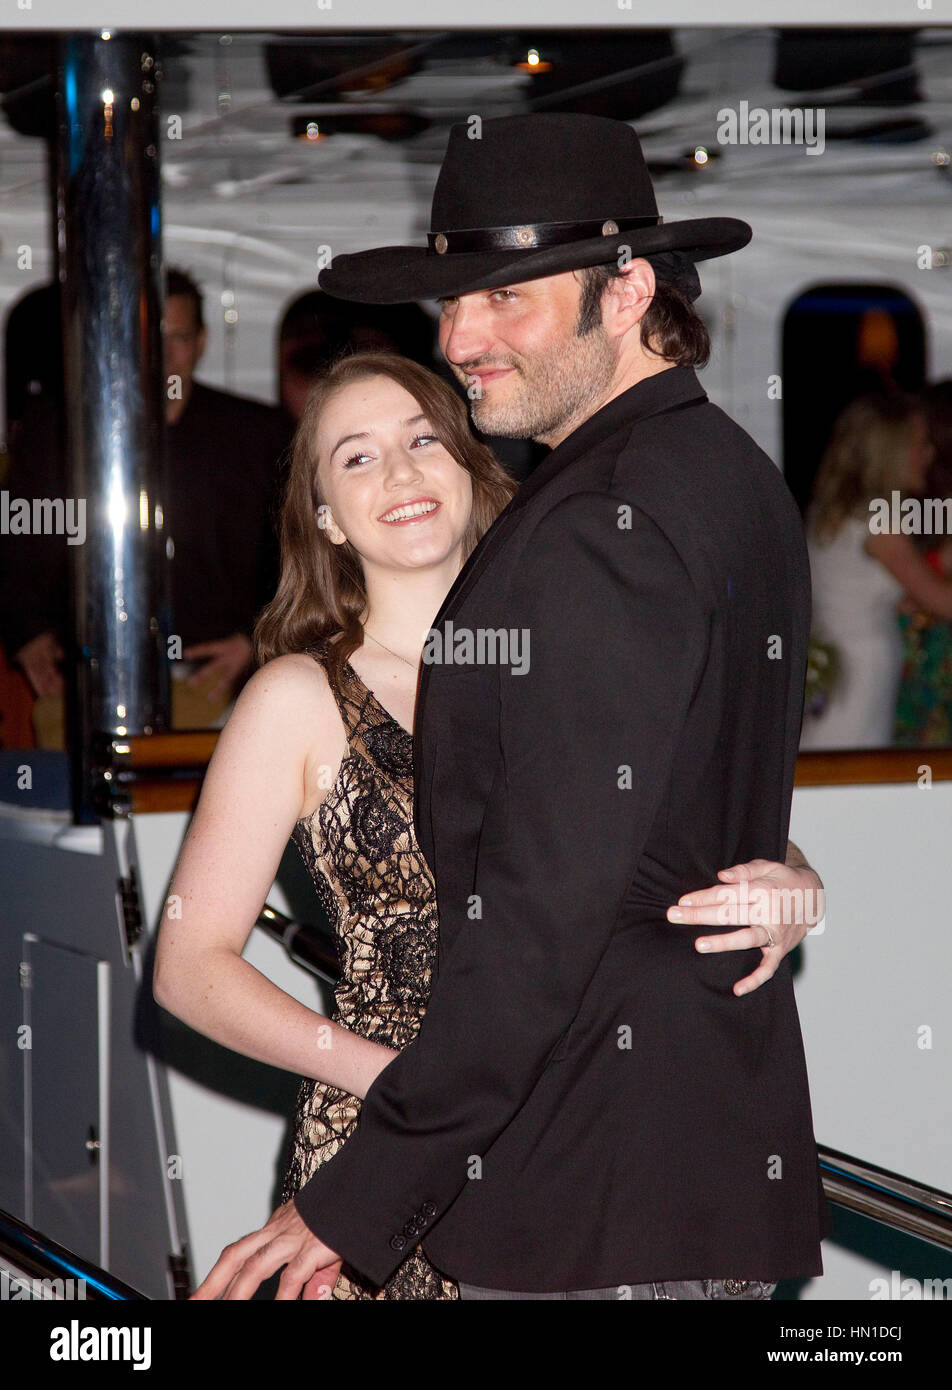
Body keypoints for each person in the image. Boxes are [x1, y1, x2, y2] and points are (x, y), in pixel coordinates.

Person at [186, 113, 827, 1302]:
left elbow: (543, 918)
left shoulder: (600, 526)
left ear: (627, 289)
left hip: (584, 1183)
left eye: (507, 297)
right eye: (452, 300)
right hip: (668, 1171)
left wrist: (360, 1197)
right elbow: (665, 817)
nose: (461, 335)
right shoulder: (727, 476)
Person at [0, 269, 290, 741]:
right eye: (145, 338)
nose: (161, 356)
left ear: (200, 343)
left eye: (177, 338)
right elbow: (16, 541)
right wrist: (29, 633)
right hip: (89, 678)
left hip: (223, 678)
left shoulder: (259, 436)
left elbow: (300, 552)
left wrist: (254, 638)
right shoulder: (54, 434)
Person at [799, 393, 950, 750]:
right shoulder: (879, 523)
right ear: (891, 451)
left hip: (843, 678)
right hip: (857, 682)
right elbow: (942, 600)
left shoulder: (837, 512)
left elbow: (876, 592)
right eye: (919, 443)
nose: (928, 454)